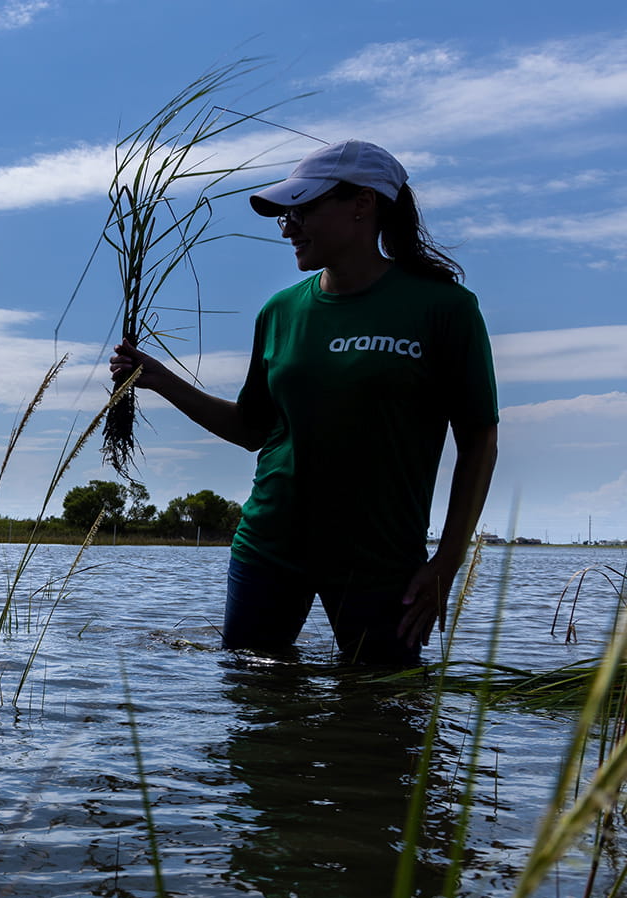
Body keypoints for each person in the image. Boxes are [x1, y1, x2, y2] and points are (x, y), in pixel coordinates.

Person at [111, 140, 498, 664]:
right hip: (268, 547)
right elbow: (254, 430)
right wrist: (159, 379)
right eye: (285, 214)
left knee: (381, 725)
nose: (287, 225)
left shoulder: (443, 308)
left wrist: (446, 563)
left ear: (363, 204)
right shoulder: (280, 311)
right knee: (255, 718)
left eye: (303, 208)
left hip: (382, 560)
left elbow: (478, 439)